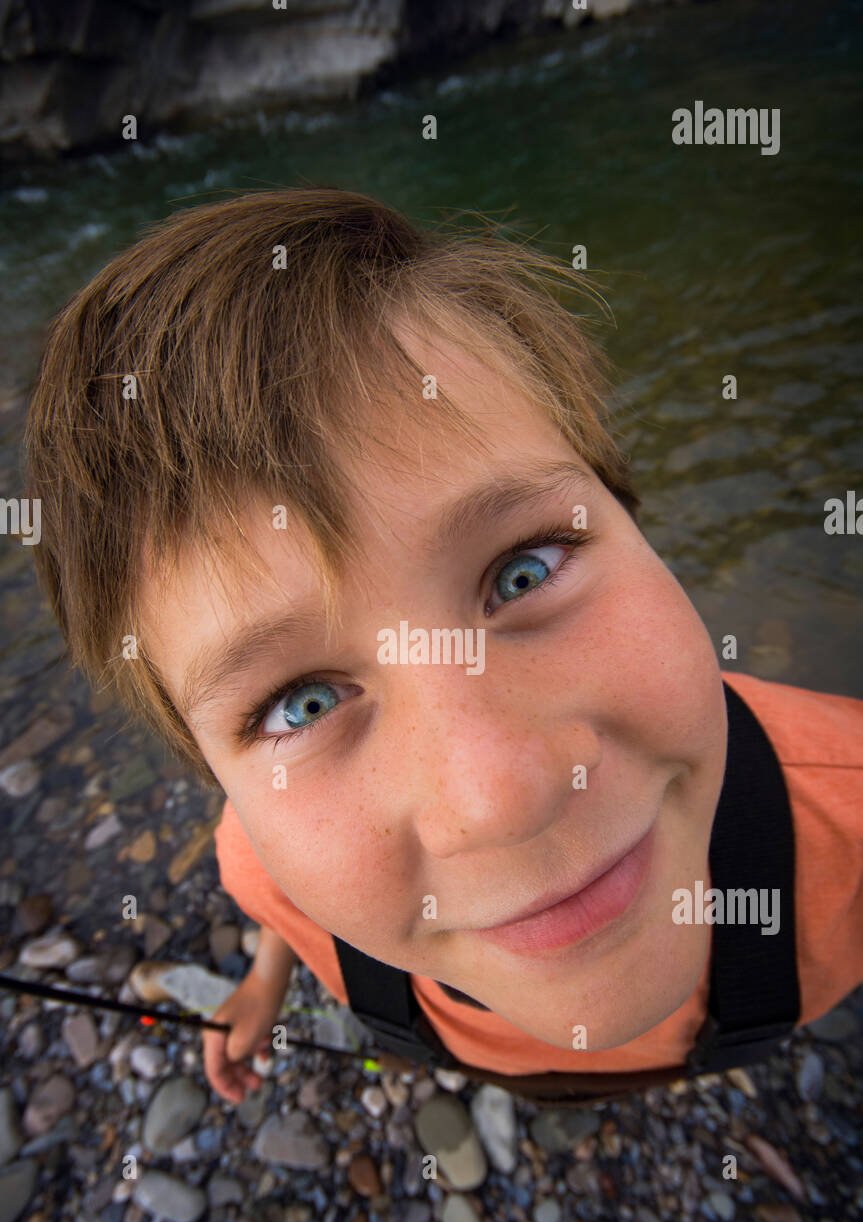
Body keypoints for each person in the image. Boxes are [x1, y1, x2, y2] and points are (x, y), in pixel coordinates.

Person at [23, 188, 863, 1108]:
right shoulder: (262, 860)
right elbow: (274, 893)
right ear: (223, 782)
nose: (503, 800)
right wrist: (266, 982)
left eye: (523, 572)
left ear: (632, 518)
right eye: (300, 702)